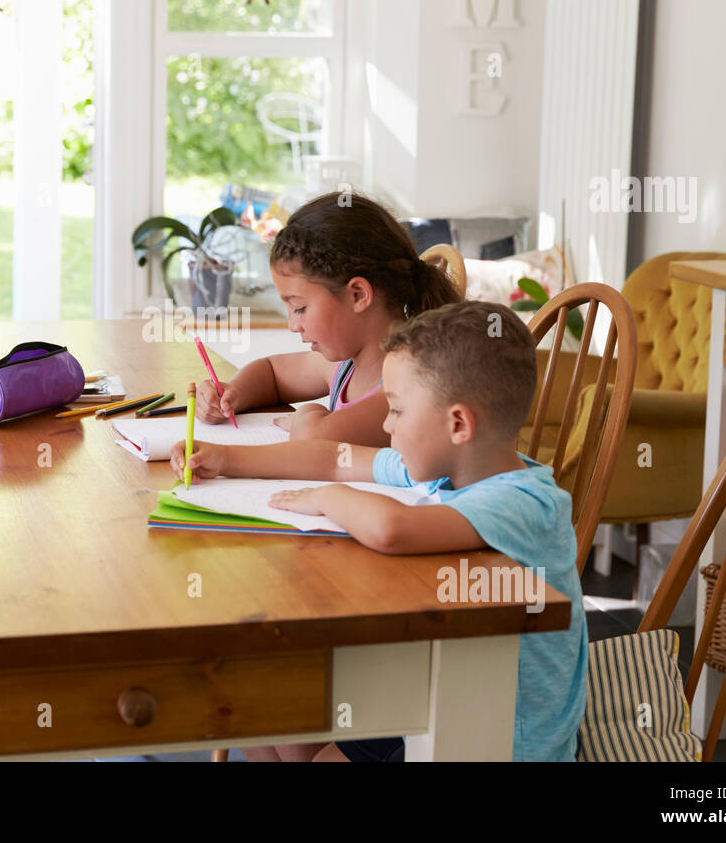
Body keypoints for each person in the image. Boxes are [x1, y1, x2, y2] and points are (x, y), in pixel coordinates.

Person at [172, 300, 587, 762]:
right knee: (261, 703)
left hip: (493, 740)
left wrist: (327, 499)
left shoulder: (525, 502)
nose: (386, 426)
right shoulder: (445, 468)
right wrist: (228, 460)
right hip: (432, 685)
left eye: (395, 410)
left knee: (283, 707)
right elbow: (333, 457)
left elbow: (392, 528)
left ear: (457, 424)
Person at [196, 191, 460, 448]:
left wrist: (307, 414)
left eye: (299, 308)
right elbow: (273, 373)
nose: (293, 325)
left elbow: (315, 436)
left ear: (358, 295)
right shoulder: (346, 366)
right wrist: (233, 394)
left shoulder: (411, 380)